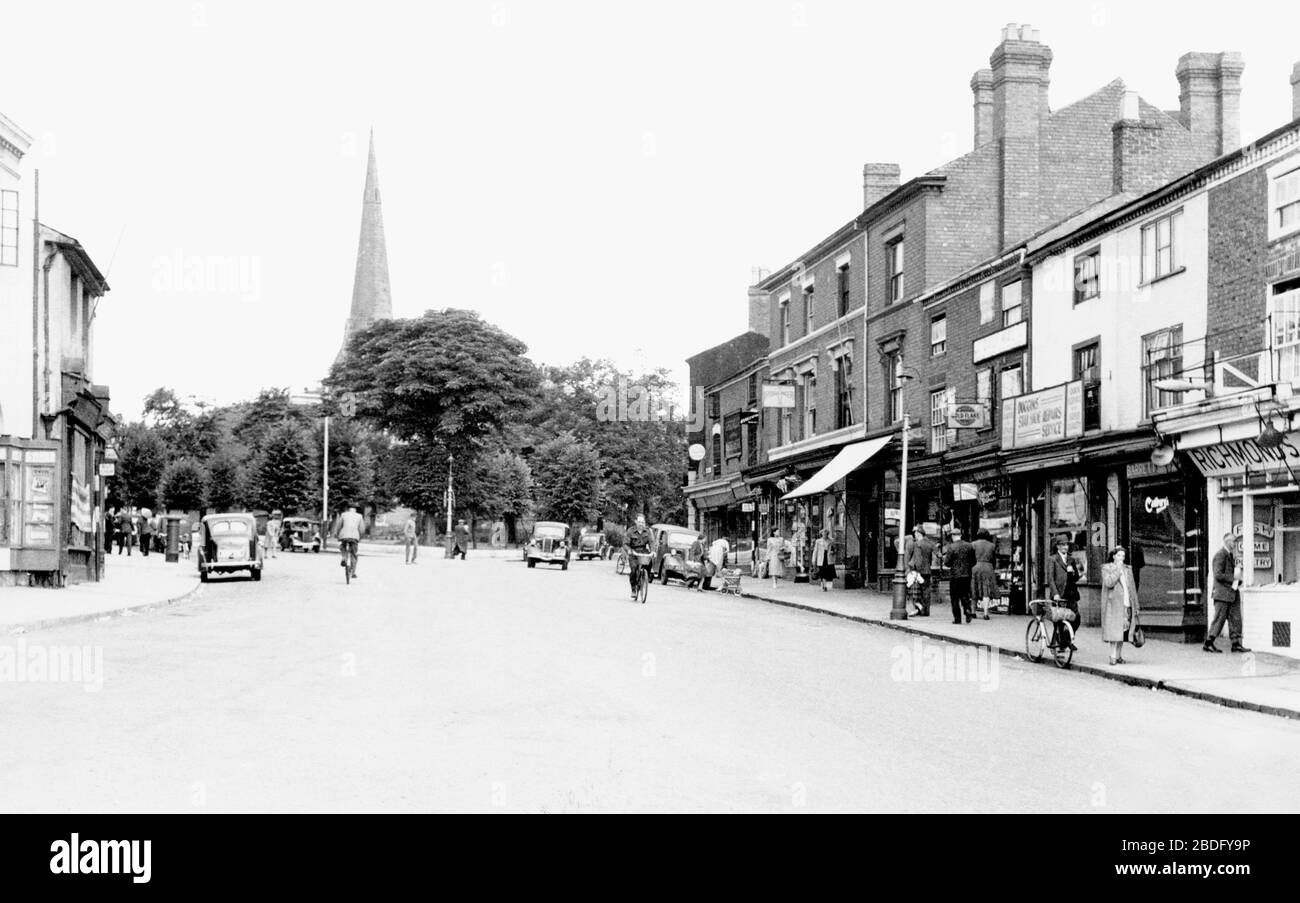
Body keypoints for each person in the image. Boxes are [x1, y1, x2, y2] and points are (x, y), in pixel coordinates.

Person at [1205, 532, 1251, 653]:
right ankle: (1208, 643)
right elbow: (1218, 575)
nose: (1235, 544)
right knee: (1219, 618)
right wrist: (1235, 579)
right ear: (1227, 542)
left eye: (1235, 541)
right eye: (1233, 541)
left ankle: (1236, 643)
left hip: (1232, 592)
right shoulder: (1220, 555)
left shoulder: (1230, 555)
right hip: (1222, 594)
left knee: (1236, 618)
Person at [1101, 546, 1140, 666]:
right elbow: (1108, 582)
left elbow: (1132, 588)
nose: (1121, 558)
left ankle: (1118, 656)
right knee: (1114, 631)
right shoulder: (1107, 568)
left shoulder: (1128, 569)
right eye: (1119, 555)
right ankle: (1112, 656)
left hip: (1127, 602)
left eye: (1123, 556)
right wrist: (1118, 570)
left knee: (1124, 631)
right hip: (1114, 604)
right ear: (1113, 556)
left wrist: (1136, 605)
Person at [1047, 536, 1081, 649]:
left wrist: (1072, 573)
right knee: (1060, 619)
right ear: (1057, 546)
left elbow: (1076, 577)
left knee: (1076, 618)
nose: (1065, 547)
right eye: (1062, 545)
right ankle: (1062, 643)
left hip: (1071, 593)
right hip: (1059, 594)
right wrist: (1055, 593)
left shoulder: (1071, 559)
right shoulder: (1053, 559)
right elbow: (1051, 579)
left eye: (1066, 545)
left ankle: (1067, 639)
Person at [943, 527, 976, 624]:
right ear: (960, 535)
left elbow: (947, 563)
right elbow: (974, 561)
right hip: (966, 575)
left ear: (953, 536)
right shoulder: (969, 546)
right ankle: (967, 609)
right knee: (965, 595)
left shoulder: (951, 547)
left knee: (955, 598)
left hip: (955, 576)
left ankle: (957, 618)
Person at [905, 525, 935, 616]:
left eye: (915, 533)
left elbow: (918, 559)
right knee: (926, 591)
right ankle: (926, 611)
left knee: (917, 592)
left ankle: (921, 610)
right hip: (927, 570)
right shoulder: (929, 543)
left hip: (919, 571)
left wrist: (914, 570)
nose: (914, 535)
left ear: (918, 534)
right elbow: (930, 558)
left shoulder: (917, 544)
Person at [625, 515, 654, 599]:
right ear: (636, 522)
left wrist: (653, 551)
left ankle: (645, 578)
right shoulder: (630, 531)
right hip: (633, 552)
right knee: (634, 569)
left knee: (649, 562)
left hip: (643, 551)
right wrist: (629, 550)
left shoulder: (647, 531)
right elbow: (625, 544)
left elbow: (651, 542)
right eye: (639, 522)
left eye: (642, 522)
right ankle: (633, 588)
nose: (641, 524)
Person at [971, 529, 997, 620]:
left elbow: (970, 557)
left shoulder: (973, 544)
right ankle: (986, 613)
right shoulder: (992, 545)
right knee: (986, 590)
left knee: (974, 589)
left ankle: (973, 612)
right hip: (988, 567)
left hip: (975, 566)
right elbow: (994, 559)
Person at [333, 502, 365, 579]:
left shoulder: (343, 515)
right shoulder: (359, 516)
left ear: (348, 509)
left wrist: (337, 534)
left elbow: (339, 526)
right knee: (354, 554)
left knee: (343, 547)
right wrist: (360, 537)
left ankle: (344, 557)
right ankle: (353, 572)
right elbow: (362, 529)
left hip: (344, 535)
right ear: (356, 509)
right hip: (354, 537)